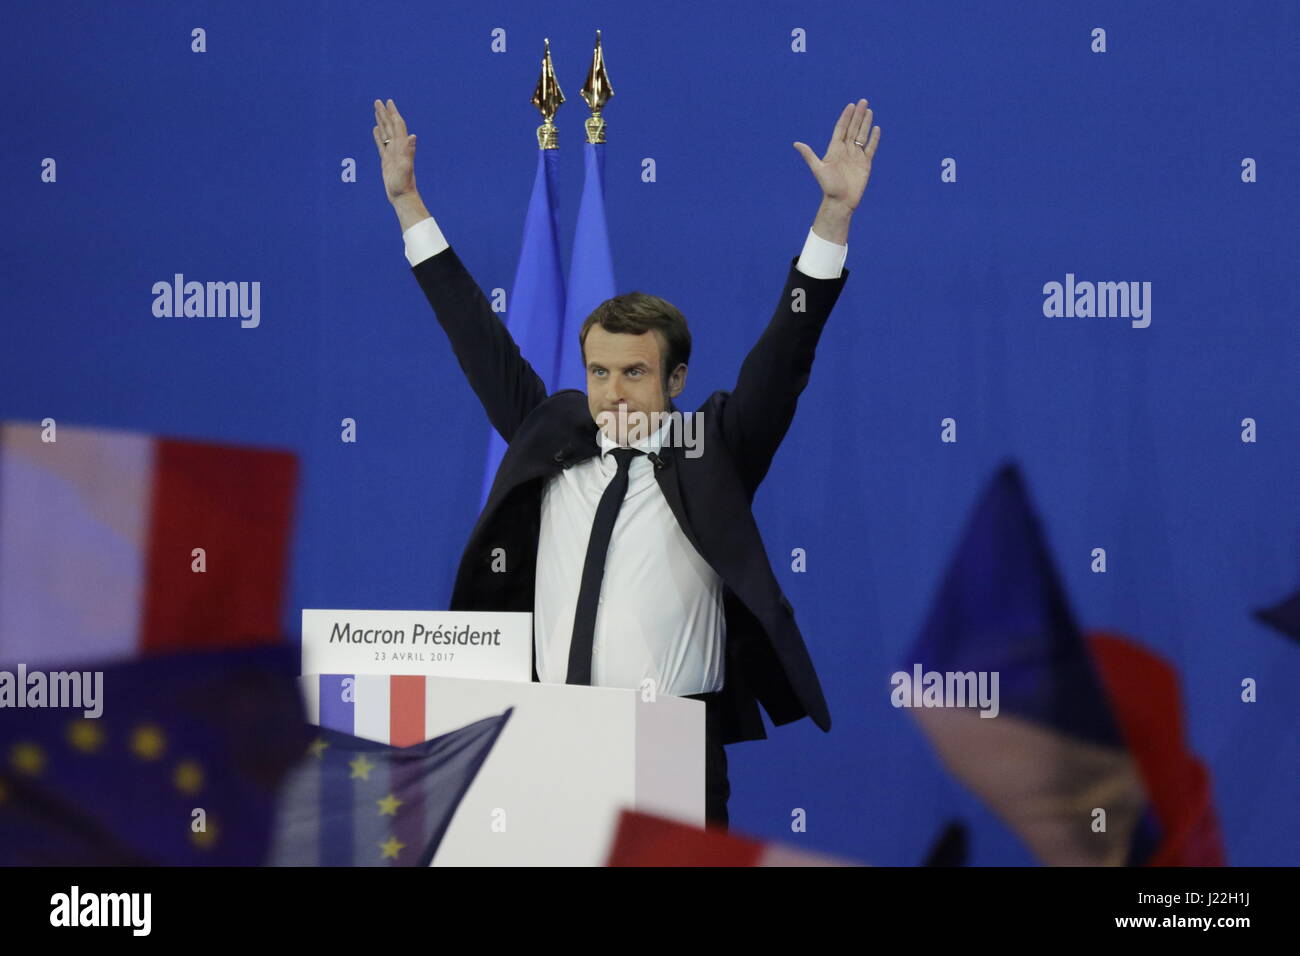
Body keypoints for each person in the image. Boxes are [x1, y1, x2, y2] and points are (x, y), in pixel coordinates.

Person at [372, 97, 880, 829]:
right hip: (546, 738)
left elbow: (785, 356)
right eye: (598, 372)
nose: (612, 393)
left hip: (669, 746)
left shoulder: (713, 450)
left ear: (675, 379)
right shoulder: (550, 433)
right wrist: (407, 203)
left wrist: (833, 217)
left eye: (634, 373)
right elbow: (474, 334)